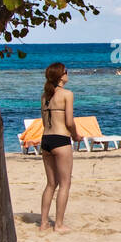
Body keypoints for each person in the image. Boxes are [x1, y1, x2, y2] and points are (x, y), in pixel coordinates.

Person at [39, 62, 76, 232]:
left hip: (46, 139)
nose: (68, 74)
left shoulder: (44, 96)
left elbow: (43, 121)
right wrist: (76, 135)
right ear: (61, 76)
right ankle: (59, 224)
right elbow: (69, 121)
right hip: (61, 139)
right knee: (65, 184)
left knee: (50, 184)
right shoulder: (67, 94)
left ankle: (44, 223)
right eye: (66, 72)